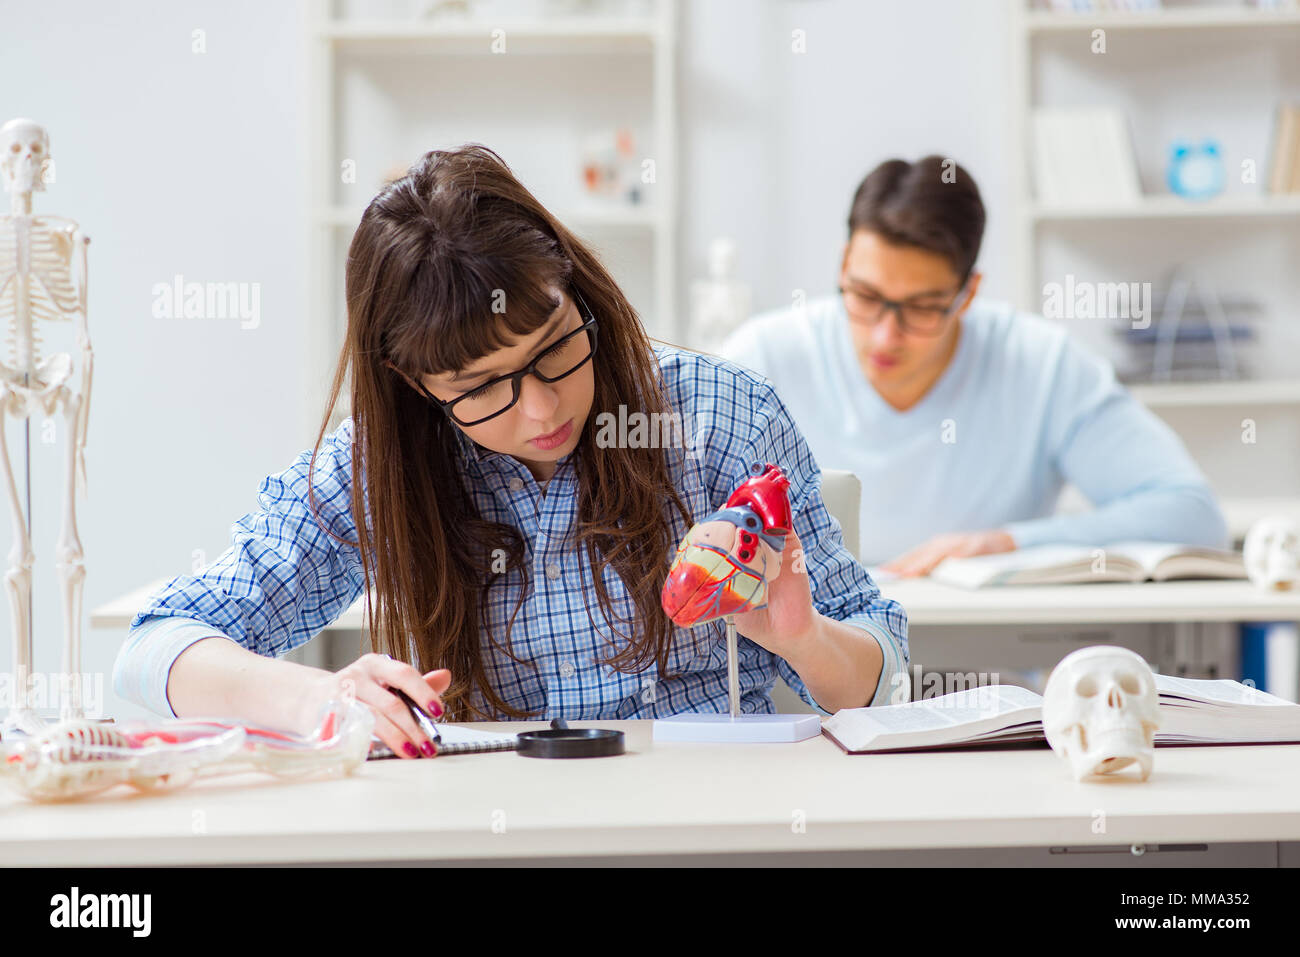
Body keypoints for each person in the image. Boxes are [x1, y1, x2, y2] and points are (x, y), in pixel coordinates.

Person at [112, 145, 908, 759]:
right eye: (481, 385)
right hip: (494, 834)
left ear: (575, 289)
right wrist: (316, 699)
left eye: (554, 346)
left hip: (704, 823)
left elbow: (885, 675)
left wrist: (803, 639)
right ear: (416, 384)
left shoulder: (715, 414)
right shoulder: (377, 471)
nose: (541, 409)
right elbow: (152, 651)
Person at [721, 156, 1228, 575]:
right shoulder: (761, 360)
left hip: (986, 678)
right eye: (866, 295)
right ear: (842, 264)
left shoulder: (1041, 365)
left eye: (921, 307)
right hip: (798, 683)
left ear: (968, 294)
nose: (885, 334)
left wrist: (1008, 542)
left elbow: (1192, 515)